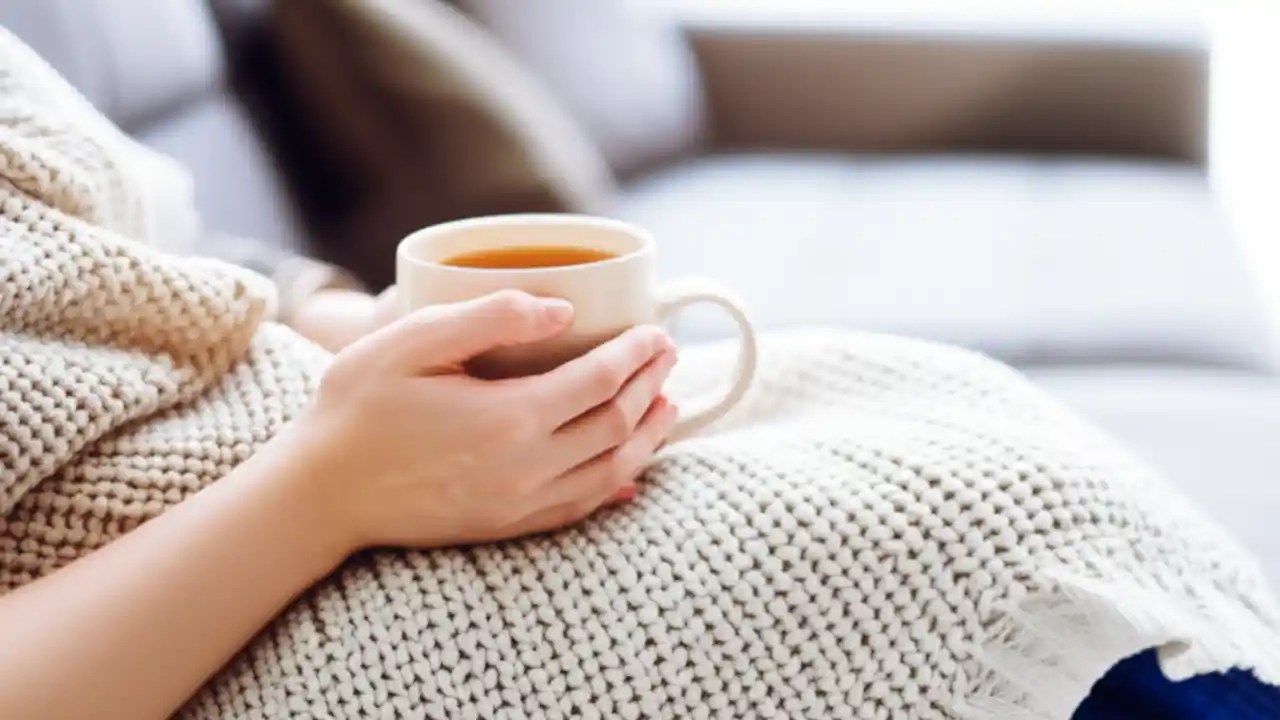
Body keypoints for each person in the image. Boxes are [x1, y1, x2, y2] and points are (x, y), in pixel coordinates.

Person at [2, 26, 1278, 720]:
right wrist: (327, 487)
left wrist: (382, 335)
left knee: (942, 419)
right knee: (931, 551)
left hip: (326, 446)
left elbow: (161, 254)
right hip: (225, 586)